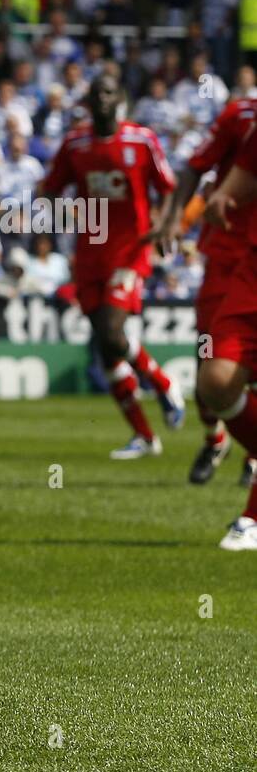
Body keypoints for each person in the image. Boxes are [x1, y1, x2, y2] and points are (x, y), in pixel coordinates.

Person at [40, 74, 185, 459]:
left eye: (108, 93)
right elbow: (50, 186)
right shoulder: (76, 145)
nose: (102, 100)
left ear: (119, 99)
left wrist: (165, 223)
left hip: (131, 251)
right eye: (96, 94)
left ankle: (163, 382)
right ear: (88, 102)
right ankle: (145, 437)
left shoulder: (141, 140)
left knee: (111, 334)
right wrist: (53, 206)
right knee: (107, 352)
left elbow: (169, 187)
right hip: (90, 256)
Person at [156, 96, 257, 486]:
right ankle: (215, 437)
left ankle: (252, 457)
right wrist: (173, 220)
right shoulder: (239, 115)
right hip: (226, 254)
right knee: (208, 353)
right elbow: (195, 166)